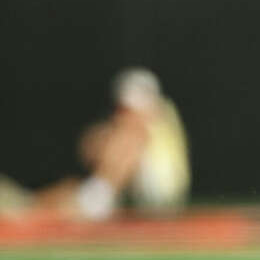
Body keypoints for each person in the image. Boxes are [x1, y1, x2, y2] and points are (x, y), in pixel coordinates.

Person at [26, 68, 189, 221]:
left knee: (126, 139)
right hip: (148, 195)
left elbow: (91, 148)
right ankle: (32, 204)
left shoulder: (142, 126)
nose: (121, 114)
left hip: (157, 196)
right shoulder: (161, 116)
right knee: (68, 189)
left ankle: (90, 202)